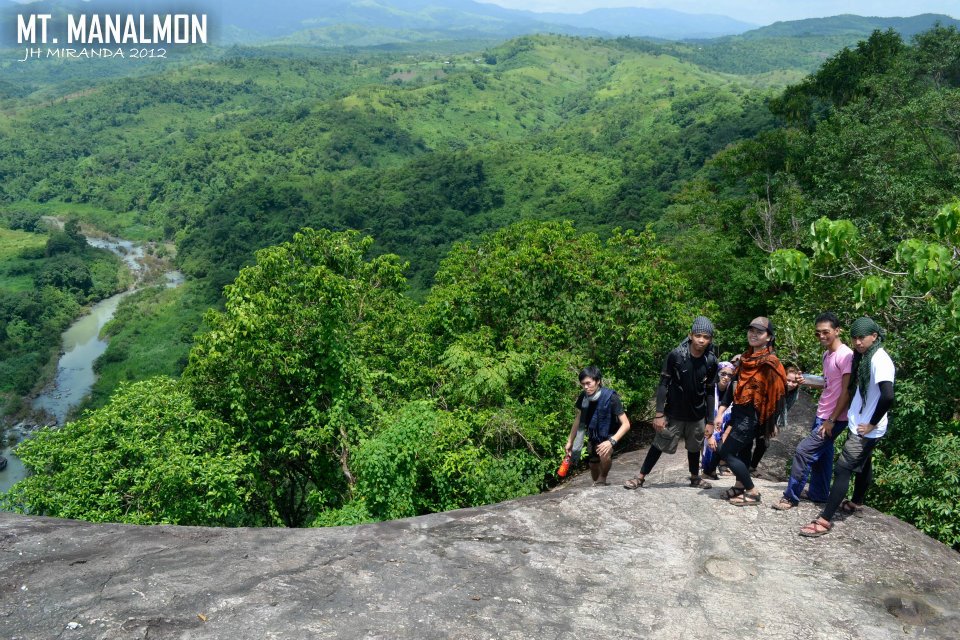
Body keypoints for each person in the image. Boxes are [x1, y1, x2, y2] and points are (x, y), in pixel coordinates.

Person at [800, 317, 895, 537]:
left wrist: (872, 423)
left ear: (874, 335)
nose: (858, 342)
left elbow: (888, 396)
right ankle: (856, 502)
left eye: (862, 337)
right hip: (861, 422)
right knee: (865, 461)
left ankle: (824, 520)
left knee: (843, 469)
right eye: (854, 338)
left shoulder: (879, 359)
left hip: (867, 426)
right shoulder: (864, 356)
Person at [623, 316, 717, 490]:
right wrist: (659, 414)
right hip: (674, 412)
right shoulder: (676, 356)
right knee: (659, 444)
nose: (701, 340)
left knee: (694, 447)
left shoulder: (711, 361)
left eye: (706, 337)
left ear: (710, 339)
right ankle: (640, 477)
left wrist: (710, 421)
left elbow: (711, 392)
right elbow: (663, 384)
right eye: (698, 335)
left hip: (697, 414)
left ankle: (695, 477)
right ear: (690, 335)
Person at [703, 316, 787, 506]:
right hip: (738, 414)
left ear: (769, 337)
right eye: (751, 330)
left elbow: (778, 394)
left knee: (726, 453)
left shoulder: (770, 363)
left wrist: (772, 422)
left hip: (752, 417)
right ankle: (740, 486)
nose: (754, 334)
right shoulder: (745, 359)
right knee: (743, 453)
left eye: (759, 332)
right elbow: (734, 389)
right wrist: (720, 412)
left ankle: (752, 491)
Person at [773, 313, 853, 511]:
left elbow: (847, 391)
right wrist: (807, 380)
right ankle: (819, 493)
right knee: (823, 456)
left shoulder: (846, 356)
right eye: (818, 334)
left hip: (834, 417)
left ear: (837, 330)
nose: (822, 337)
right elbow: (829, 384)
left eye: (826, 332)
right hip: (824, 413)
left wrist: (832, 420)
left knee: (804, 452)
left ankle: (791, 497)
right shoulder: (827, 354)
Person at [565, 366, 631, 486]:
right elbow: (578, 419)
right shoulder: (584, 397)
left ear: (598, 381)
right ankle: (598, 482)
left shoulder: (611, 397)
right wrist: (570, 441)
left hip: (609, 434)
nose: (585, 387)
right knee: (593, 465)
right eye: (583, 384)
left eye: (588, 383)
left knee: (604, 454)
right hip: (593, 435)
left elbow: (626, 424)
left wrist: (611, 441)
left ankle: (603, 477)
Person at [743, 365, 801, 474]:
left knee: (763, 443)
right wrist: (772, 424)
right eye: (788, 380)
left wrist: (775, 423)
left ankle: (751, 467)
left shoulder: (793, 394)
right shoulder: (775, 387)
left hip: (770, 418)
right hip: (758, 414)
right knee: (747, 440)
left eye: (794, 382)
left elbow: (782, 410)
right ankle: (738, 464)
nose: (790, 384)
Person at [701, 360, 734, 474]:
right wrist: (709, 436)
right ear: (717, 373)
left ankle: (721, 464)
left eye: (729, 375)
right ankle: (708, 468)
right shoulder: (709, 390)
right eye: (723, 373)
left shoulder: (733, 392)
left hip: (726, 427)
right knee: (712, 442)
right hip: (707, 425)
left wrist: (725, 434)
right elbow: (704, 415)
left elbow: (734, 416)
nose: (726, 377)